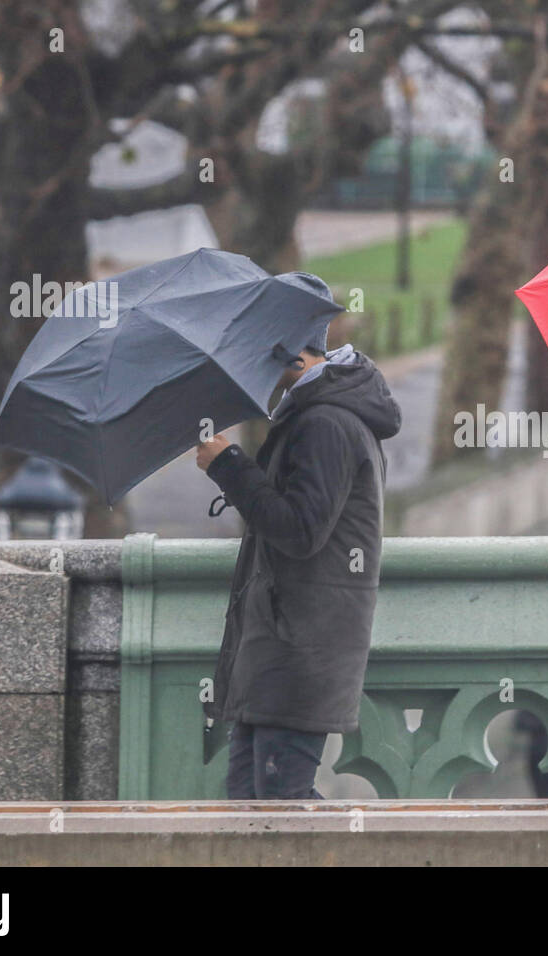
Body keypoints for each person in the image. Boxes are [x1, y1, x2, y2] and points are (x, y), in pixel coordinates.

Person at [196, 274, 401, 799]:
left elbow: (300, 530)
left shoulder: (326, 423)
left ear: (288, 352)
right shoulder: (316, 415)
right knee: (249, 806)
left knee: (279, 812)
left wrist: (230, 468)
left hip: (299, 649)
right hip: (282, 647)